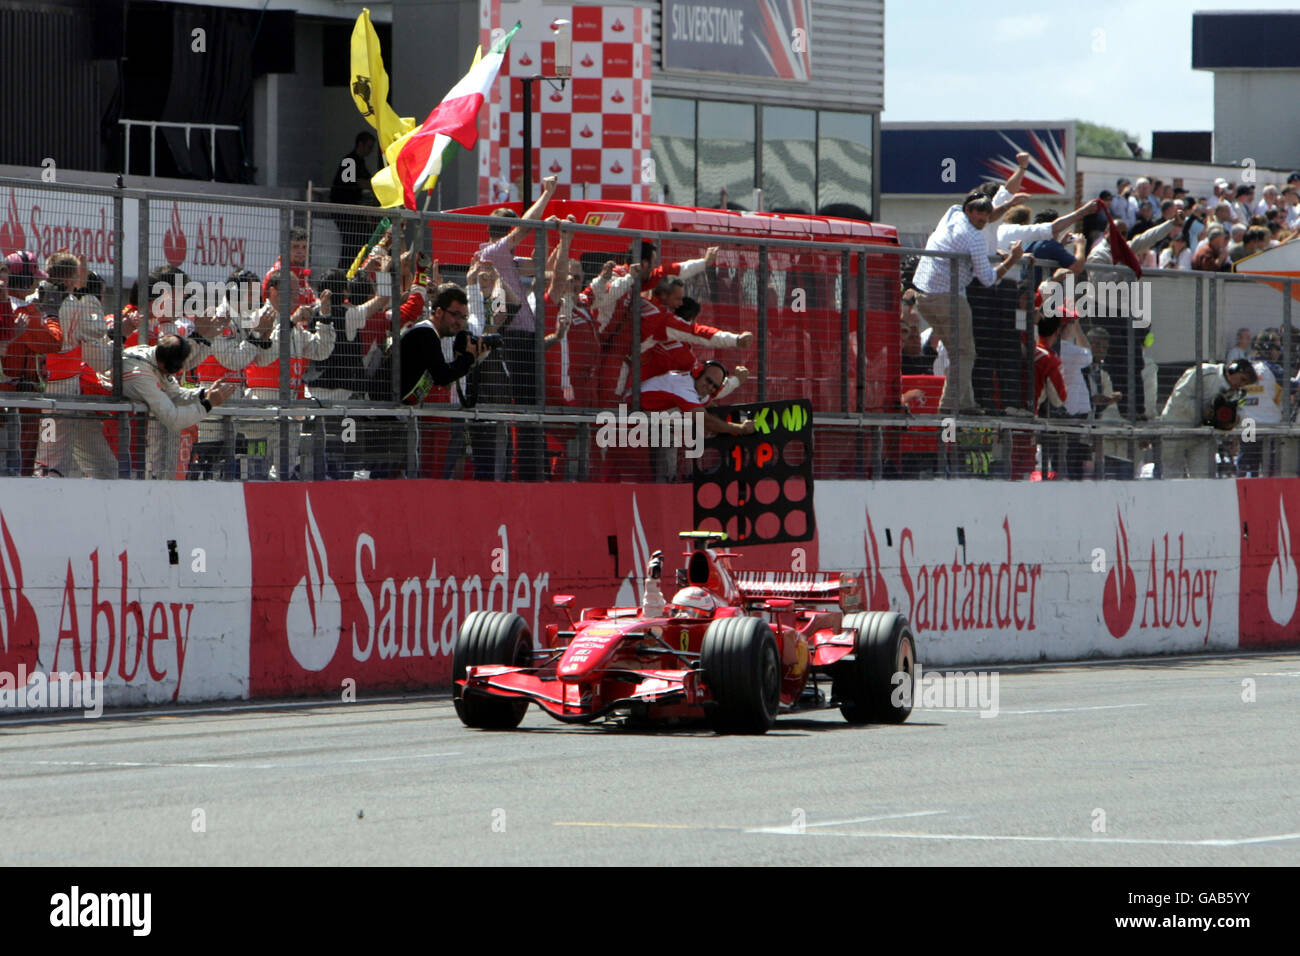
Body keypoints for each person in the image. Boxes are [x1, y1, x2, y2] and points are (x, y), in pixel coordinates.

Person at [476, 174, 559, 480]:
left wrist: (551, 234)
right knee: (520, 410)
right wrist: (547, 193)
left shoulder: (503, 256)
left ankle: (529, 471)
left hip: (525, 337)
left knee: (530, 408)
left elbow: (544, 267)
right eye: (513, 233)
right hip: (510, 339)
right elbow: (525, 227)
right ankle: (520, 473)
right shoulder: (492, 253)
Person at [911, 193, 1027, 414]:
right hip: (950, 299)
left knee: (958, 353)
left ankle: (965, 403)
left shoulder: (953, 213)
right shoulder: (974, 237)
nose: (983, 220)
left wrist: (1006, 205)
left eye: (986, 215)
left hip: (924, 296)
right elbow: (988, 279)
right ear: (971, 212)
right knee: (965, 353)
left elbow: (989, 216)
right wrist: (1012, 258)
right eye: (980, 216)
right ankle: (950, 406)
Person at [120, 334, 240, 479]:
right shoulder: (140, 374)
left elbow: (175, 394)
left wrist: (205, 393)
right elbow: (173, 419)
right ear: (167, 365)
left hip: (131, 426)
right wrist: (208, 404)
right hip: (107, 422)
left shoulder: (154, 358)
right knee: (112, 473)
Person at [1159, 359, 1257, 478]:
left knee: (1204, 476)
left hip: (1203, 435)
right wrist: (1202, 412)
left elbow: (1241, 413)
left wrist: (1236, 420)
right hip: (1176, 428)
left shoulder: (1238, 392)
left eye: (1245, 383)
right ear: (1232, 370)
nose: (1242, 384)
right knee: (1171, 474)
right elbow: (1179, 398)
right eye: (1242, 379)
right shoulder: (1205, 372)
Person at [330, 131, 379, 267]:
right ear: (360, 144)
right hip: (345, 211)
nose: (370, 151)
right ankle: (344, 271)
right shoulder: (350, 161)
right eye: (369, 147)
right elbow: (353, 183)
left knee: (359, 241)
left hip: (354, 211)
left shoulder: (360, 163)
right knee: (351, 243)